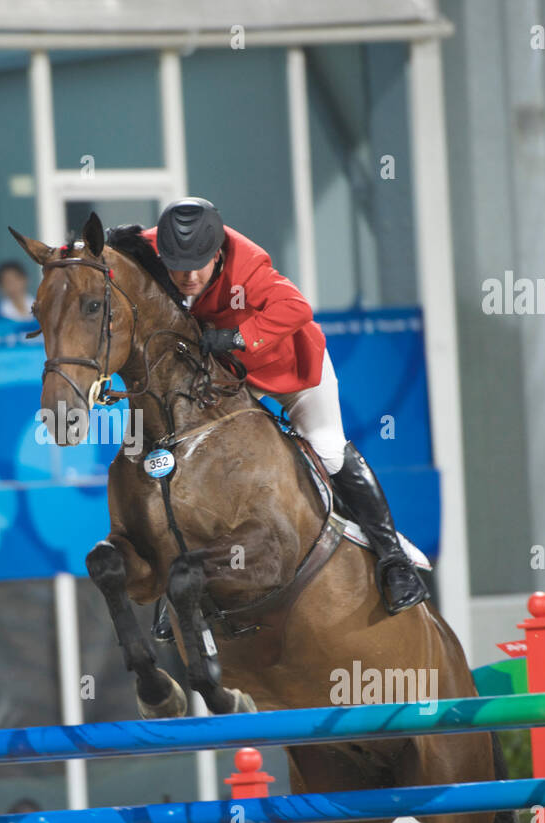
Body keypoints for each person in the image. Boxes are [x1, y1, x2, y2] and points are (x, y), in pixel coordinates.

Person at [141, 197, 427, 613]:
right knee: (195, 449)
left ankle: (394, 562)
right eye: (177, 264)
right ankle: (187, 580)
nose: (186, 276)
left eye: (197, 263)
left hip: (292, 370)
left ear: (218, 251)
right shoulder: (158, 245)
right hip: (233, 377)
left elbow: (297, 308)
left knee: (327, 447)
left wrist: (237, 337)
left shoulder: (249, 267)